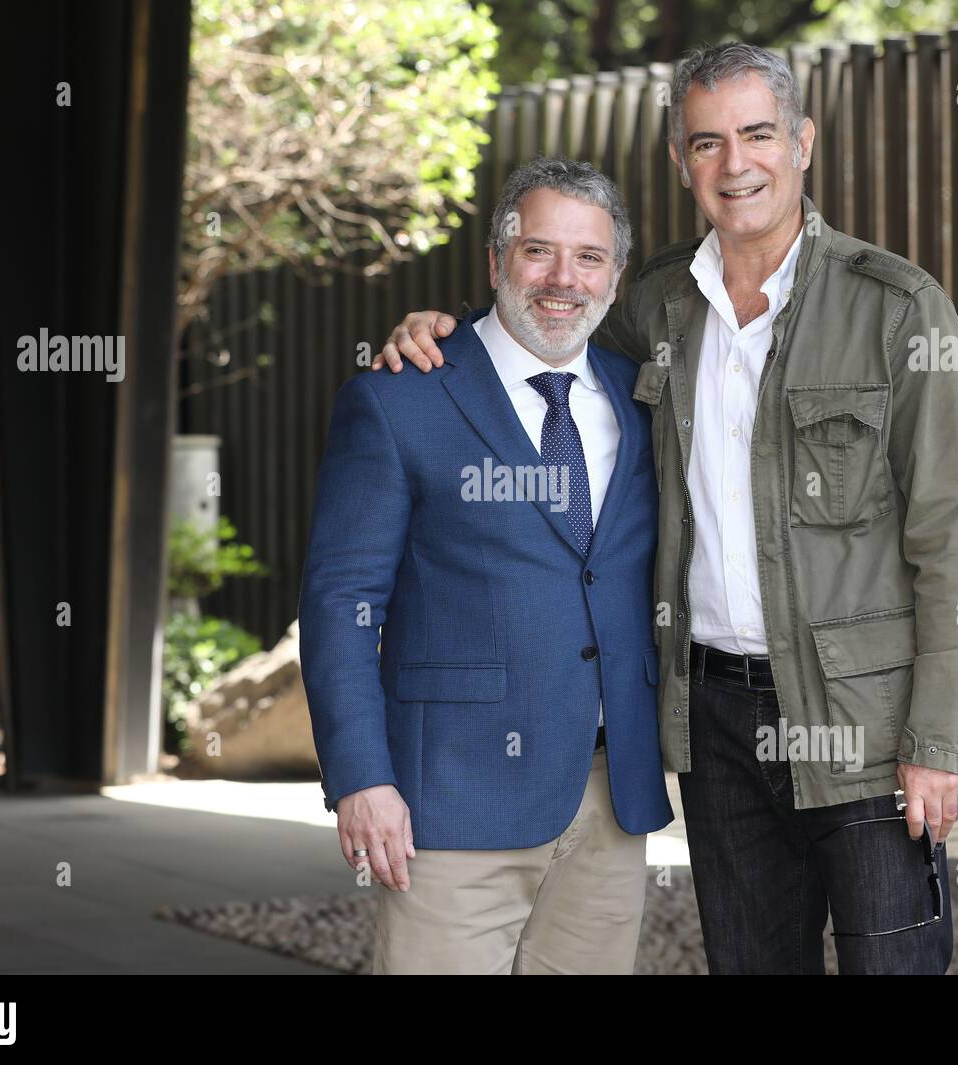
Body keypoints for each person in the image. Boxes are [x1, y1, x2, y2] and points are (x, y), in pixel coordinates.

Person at [370, 43, 958, 974]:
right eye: (707, 142)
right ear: (682, 161)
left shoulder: (898, 310)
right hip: (713, 720)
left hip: (866, 723)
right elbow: (546, 324)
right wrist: (443, 332)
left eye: (757, 134)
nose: (735, 163)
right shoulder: (659, 304)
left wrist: (943, 741)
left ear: (803, 143)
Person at [299, 157, 673, 975]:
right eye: (538, 251)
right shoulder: (400, 396)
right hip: (452, 798)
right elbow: (340, 601)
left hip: (611, 802)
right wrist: (360, 777)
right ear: (496, 260)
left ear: (616, 278)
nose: (562, 279)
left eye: (589, 257)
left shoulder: (643, 401)